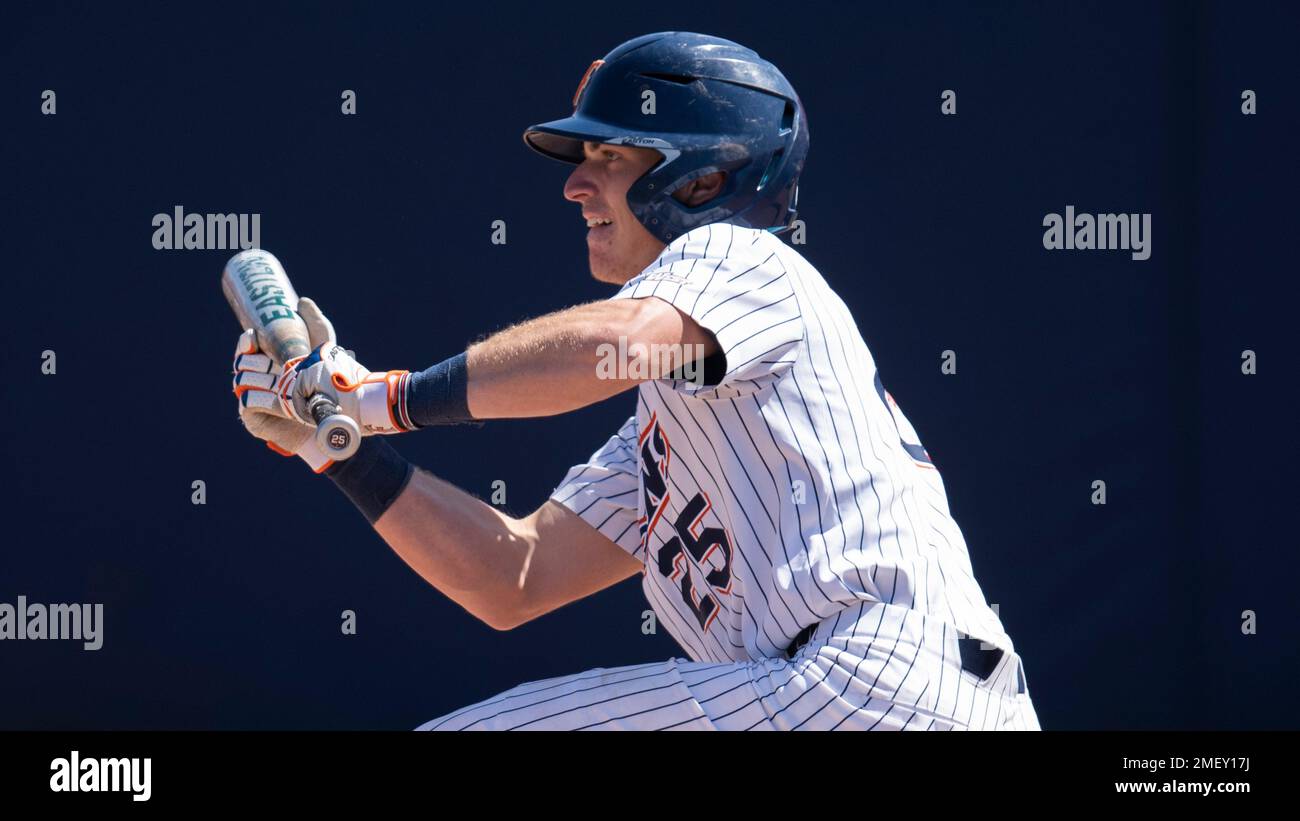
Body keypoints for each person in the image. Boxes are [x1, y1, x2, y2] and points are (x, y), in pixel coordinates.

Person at [231, 31, 1041, 730]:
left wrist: (377, 399)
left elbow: (614, 342)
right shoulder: (695, 417)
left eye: (610, 156)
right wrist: (329, 444)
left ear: (702, 180)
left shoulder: (743, 255)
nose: (575, 185)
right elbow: (515, 576)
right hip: (886, 698)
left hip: (866, 684)